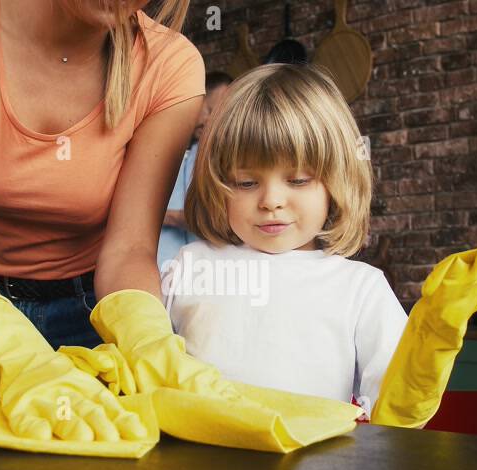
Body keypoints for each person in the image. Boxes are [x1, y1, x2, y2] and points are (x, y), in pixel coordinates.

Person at [0, 0, 211, 440]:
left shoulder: (171, 65)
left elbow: (130, 249)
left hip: (92, 313)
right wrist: (13, 353)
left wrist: (147, 339)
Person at [165, 64, 408, 415]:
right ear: (218, 184)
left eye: (297, 180)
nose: (271, 200)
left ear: (337, 181)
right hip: (198, 466)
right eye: (247, 183)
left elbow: (398, 404)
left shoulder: (360, 288)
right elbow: (144, 370)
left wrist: (435, 338)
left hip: (315, 469)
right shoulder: (189, 266)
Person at [156, 71, 232, 272]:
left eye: (219, 117)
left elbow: (217, 220)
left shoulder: (218, 155)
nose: (210, 122)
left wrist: (158, 215)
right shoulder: (160, 149)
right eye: (208, 109)